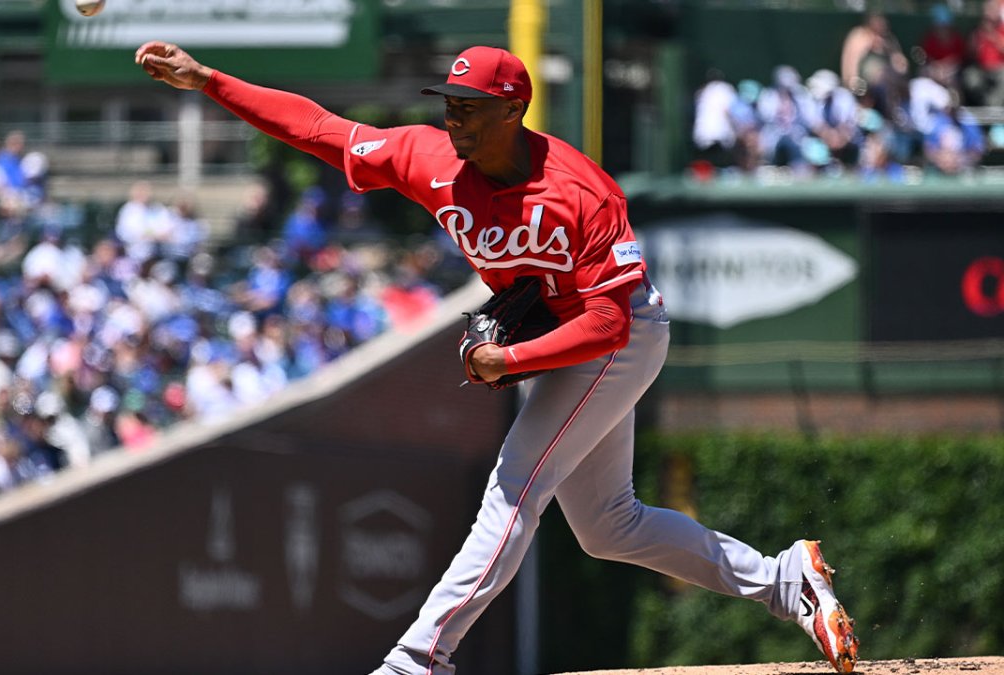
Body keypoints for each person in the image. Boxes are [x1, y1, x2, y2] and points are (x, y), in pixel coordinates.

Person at [137, 42, 860, 674]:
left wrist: (506, 362)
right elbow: (322, 130)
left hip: (621, 333)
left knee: (513, 488)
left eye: (471, 106)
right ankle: (785, 579)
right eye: (450, 102)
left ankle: (418, 657)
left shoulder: (580, 191)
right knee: (609, 526)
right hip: (565, 338)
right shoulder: (429, 159)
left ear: (512, 109)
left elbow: (607, 325)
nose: (455, 117)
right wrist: (209, 80)